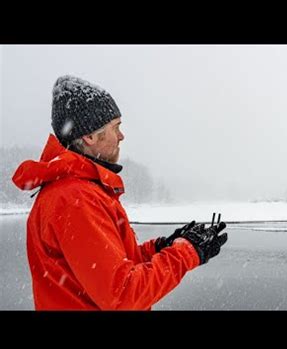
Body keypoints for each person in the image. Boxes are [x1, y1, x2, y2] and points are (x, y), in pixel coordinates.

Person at [12, 75, 228, 310]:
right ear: (90, 136)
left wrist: (161, 247)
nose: (122, 136)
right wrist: (187, 252)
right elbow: (123, 295)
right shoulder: (75, 198)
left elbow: (114, 266)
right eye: (116, 127)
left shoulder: (78, 189)